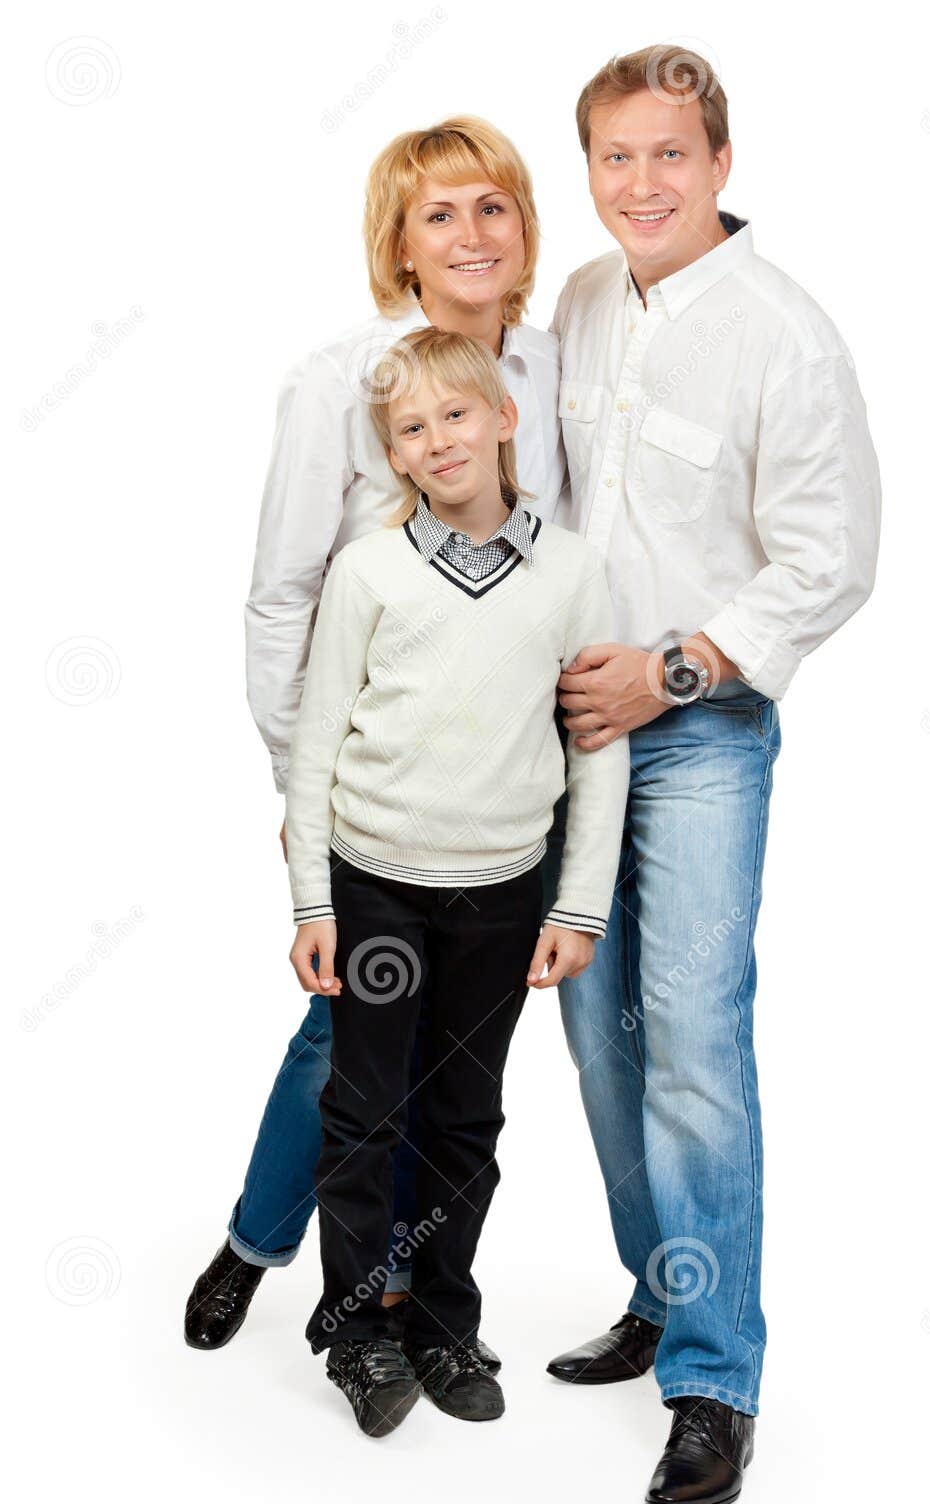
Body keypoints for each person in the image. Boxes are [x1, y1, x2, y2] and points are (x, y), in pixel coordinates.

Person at [544, 46, 881, 1504]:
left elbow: (830, 562)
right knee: (597, 1039)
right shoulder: (575, 302)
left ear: (720, 162)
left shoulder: (782, 335)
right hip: (568, 731)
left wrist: (667, 672)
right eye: (614, 157)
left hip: (694, 735)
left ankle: (711, 1378)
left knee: (688, 1037)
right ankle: (658, 1282)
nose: (640, 185)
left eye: (666, 155)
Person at [185, 118, 564, 1357]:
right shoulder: (337, 380)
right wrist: (304, 780)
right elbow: (282, 593)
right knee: (345, 1026)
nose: (469, 235)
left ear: (522, 229)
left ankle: (399, 1290)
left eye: (491, 208)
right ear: (396, 246)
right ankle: (256, 1244)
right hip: (374, 784)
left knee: (446, 1055)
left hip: (503, 784)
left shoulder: (555, 370)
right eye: (437, 215)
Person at [283, 327, 628, 1434]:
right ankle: (358, 1326)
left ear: (504, 419)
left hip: (501, 896)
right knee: (364, 1109)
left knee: (463, 1115)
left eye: (455, 416)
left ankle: (440, 1317)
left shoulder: (574, 571)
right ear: (391, 452)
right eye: (409, 428)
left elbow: (596, 749)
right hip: (376, 883)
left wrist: (576, 904)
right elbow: (317, 743)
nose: (436, 441)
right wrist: (312, 898)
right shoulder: (368, 571)